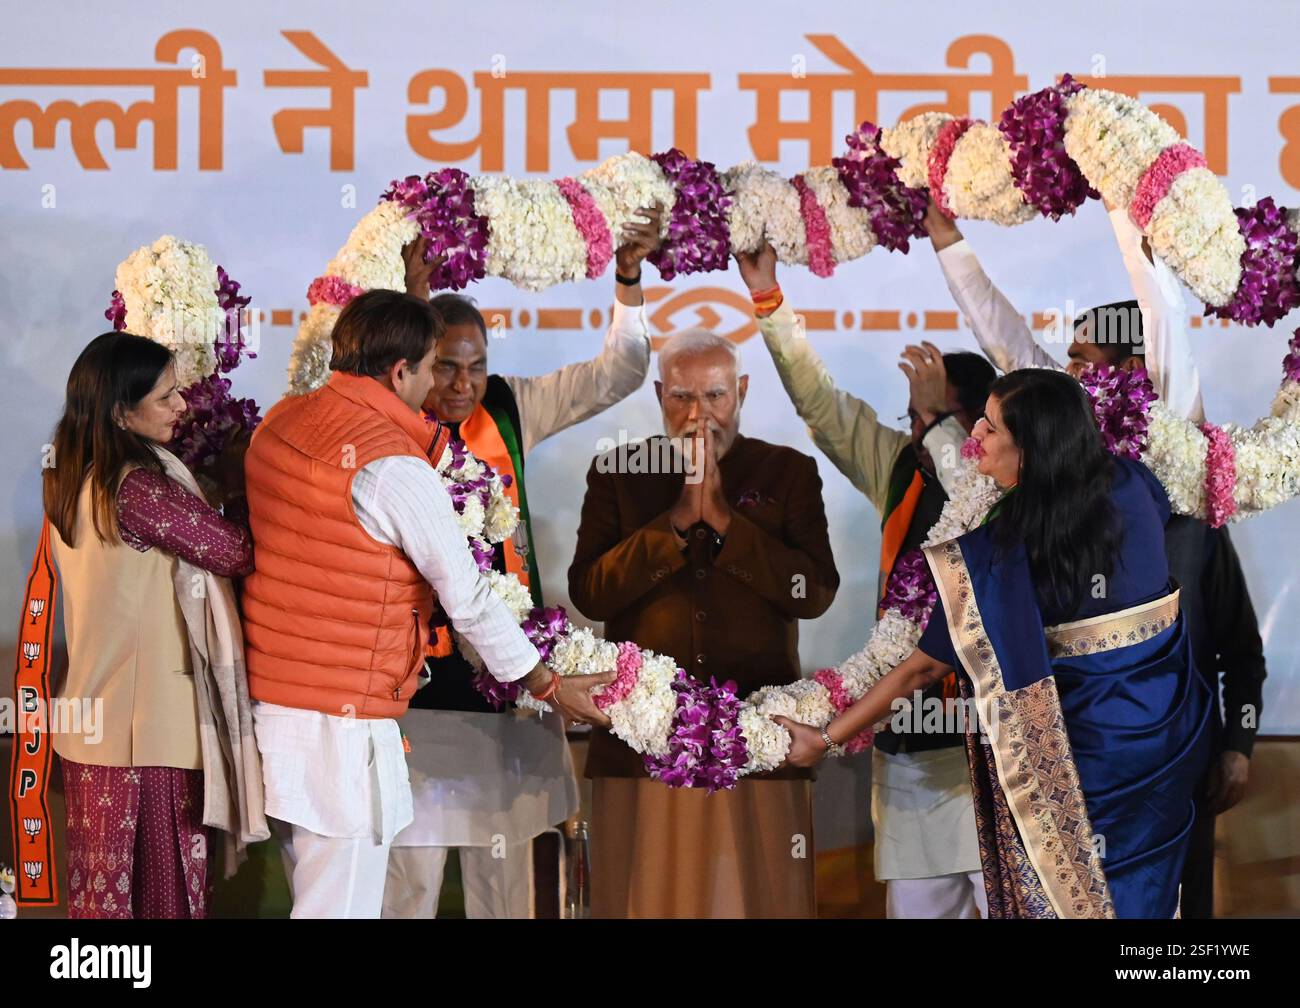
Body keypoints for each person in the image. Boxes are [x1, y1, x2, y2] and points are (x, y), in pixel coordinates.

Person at [924, 195, 1267, 917]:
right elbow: (1008, 344)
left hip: (1170, 757)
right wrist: (947, 238)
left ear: (1132, 368)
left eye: (1083, 356)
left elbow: (1167, 325)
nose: (1068, 368)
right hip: (1066, 763)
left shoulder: (1167, 458)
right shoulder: (1065, 462)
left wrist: (1126, 207)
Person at [780, 368, 1212, 919]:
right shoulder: (1134, 485)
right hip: (1163, 740)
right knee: (1149, 898)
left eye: (989, 427)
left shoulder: (1000, 551)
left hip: (1074, 765)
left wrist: (823, 737)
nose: (974, 435)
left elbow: (920, 669)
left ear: (1030, 449)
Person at [240, 289, 612, 919]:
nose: (440, 385)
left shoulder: (277, 423)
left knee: (318, 893)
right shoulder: (395, 468)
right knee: (340, 907)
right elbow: (466, 597)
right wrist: (548, 684)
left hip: (277, 708)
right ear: (400, 371)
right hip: (345, 721)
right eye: (433, 367)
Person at [382, 206, 662, 919]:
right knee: (408, 879)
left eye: (476, 366)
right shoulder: (382, 420)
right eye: (445, 365)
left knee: (500, 879)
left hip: (505, 680)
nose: (462, 383)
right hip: (410, 686)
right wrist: (410, 300)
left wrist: (627, 277)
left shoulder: (509, 409)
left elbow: (620, 372)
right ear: (415, 364)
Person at [740, 240, 993, 918]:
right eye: (914, 419)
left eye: (935, 419)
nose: (917, 433)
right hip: (908, 752)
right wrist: (769, 300)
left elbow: (971, 494)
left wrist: (939, 423)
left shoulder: (1011, 492)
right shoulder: (901, 466)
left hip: (991, 759)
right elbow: (822, 406)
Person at [568, 325, 840, 917]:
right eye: (682, 397)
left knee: (759, 899)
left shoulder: (786, 472)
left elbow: (813, 591)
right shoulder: (618, 472)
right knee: (640, 899)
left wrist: (723, 523)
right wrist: (670, 527)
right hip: (639, 746)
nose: (698, 413)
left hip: (758, 739)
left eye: (715, 395)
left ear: (741, 390)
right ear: (659, 393)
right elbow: (590, 592)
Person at [42, 331, 264, 918]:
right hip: (149, 740)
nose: (181, 407)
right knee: (167, 905)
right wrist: (240, 479)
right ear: (120, 411)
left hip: (96, 731)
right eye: (165, 397)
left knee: (104, 907)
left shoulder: (72, 478)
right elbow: (236, 551)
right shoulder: (139, 490)